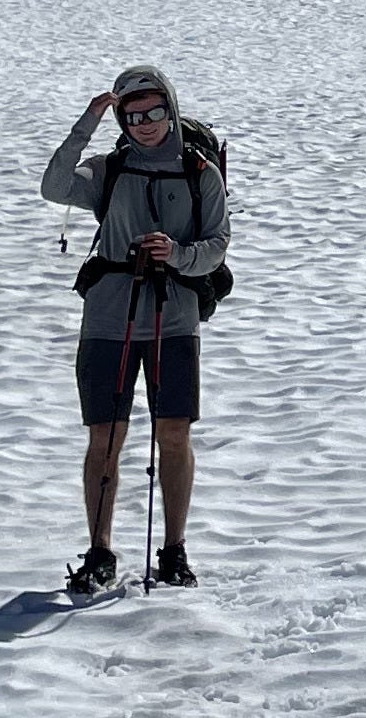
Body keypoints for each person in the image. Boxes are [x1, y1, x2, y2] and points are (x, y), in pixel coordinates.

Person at [42, 66, 228, 597]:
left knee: (174, 431)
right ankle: (100, 551)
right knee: (107, 435)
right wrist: (88, 122)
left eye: (154, 112)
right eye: (133, 115)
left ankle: (174, 551)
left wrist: (179, 255)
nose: (144, 124)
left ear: (170, 108)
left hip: (174, 317)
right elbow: (53, 187)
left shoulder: (199, 172)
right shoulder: (112, 168)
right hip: (108, 316)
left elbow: (218, 242)